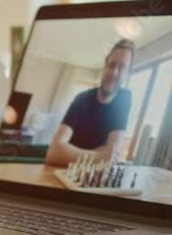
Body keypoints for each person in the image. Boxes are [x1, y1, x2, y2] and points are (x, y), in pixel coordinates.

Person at [45, 39, 135, 167]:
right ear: (105, 66)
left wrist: (69, 152)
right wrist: (99, 156)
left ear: (127, 73)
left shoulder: (124, 99)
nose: (114, 73)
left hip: (90, 179)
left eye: (122, 67)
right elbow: (53, 153)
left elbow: (111, 156)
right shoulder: (81, 99)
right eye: (112, 65)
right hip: (62, 172)